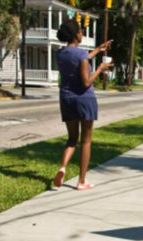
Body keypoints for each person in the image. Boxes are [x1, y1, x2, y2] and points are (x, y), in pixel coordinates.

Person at [52, 19, 113, 191]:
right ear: (76, 35)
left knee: (72, 139)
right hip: (85, 100)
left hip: (66, 99)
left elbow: (81, 59)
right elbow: (86, 82)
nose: (82, 33)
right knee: (86, 141)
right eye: (80, 31)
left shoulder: (60, 53)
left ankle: (62, 168)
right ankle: (81, 181)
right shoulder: (80, 54)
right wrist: (100, 68)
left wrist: (97, 50)